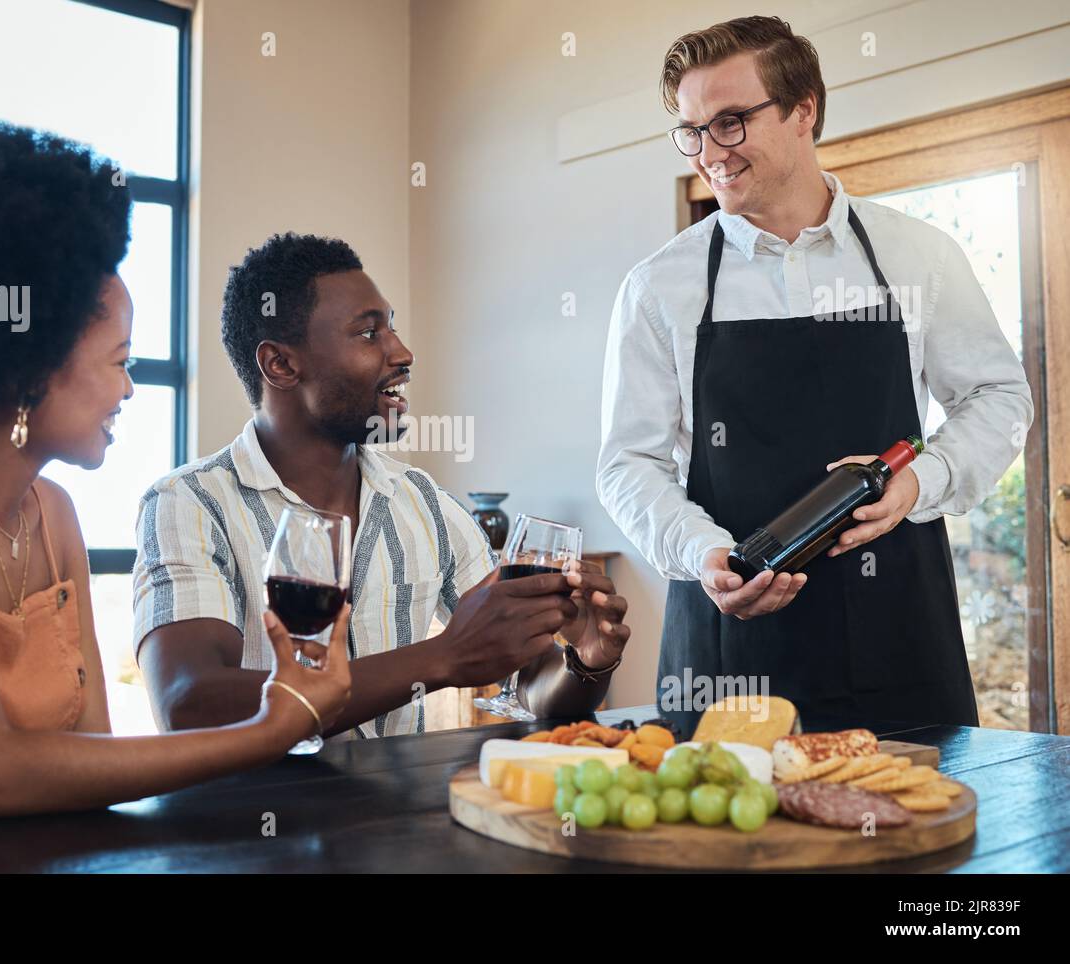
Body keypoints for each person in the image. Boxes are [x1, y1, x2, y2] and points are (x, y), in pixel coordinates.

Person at [0, 121, 350, 815]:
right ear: (32, 363)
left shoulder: (53, 514)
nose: (130, 389)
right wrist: (270, 728)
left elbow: (90, 759)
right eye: (121, 361)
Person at [596, 17, 1032, 726]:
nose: (709, 152)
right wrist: (704, 552)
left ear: (805, 110)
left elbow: (998, 398)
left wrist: (921, 479)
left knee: (910, 827)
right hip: (730, 643)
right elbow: (628, 463)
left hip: (898, 631)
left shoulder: (917, 255)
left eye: (732, 122)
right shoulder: (659, 287)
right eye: (692, 129)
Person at [133, 232, 631, 738]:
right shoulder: (190, 504)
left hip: (396, 814)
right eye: (369, 334)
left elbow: (534, 687)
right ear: (281, 364)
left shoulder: (425, 504)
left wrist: (586, 662)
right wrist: (442, 658)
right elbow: (190, 703)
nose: (403, 352)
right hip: (248, 816)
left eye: (391, 328)